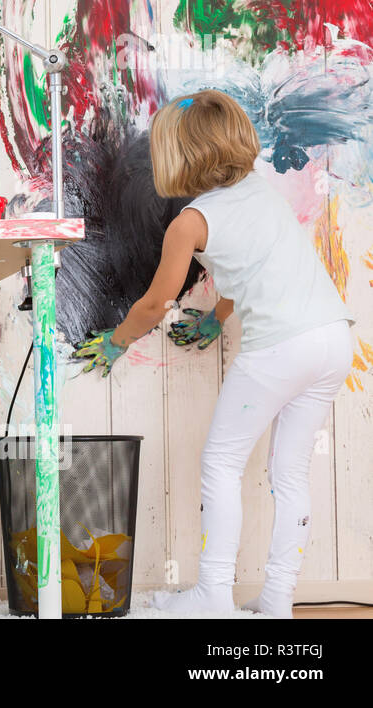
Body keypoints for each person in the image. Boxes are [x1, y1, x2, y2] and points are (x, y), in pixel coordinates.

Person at [72, 90, 354, 617]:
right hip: (333, 338)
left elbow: (156, 303)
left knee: (221, 464)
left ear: (176, 155)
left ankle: (213, 596)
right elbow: (253, 265)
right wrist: (217, 316)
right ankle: (276, 602)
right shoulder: (260, 191)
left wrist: (116, 342)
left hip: (281, 349)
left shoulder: (190, 223)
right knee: (290, 473)